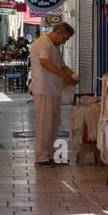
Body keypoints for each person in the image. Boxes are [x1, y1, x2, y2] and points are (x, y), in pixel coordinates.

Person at [30, 22, 77, 166]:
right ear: (58, 33)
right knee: (45, 124)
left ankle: (50, 154)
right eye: (64, 39)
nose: (64, 42)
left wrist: (73, 75)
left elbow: (62, 65)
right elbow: (45, 62)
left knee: (54, 123)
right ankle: (42, 156)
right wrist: (64, 76)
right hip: (44, 89)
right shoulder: (42, 43)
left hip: (53, 90)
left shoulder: (54, 47)